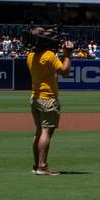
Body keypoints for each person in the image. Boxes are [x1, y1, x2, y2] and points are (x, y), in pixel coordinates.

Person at [26, 28, 72, 175]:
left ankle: (36, 165)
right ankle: (43, 165)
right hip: (48, 98)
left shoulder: (30, 55)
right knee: (46, 132)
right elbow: (64, 71)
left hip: (35, 97)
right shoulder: (49, 55)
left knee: (39, 132)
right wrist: (67, 54)